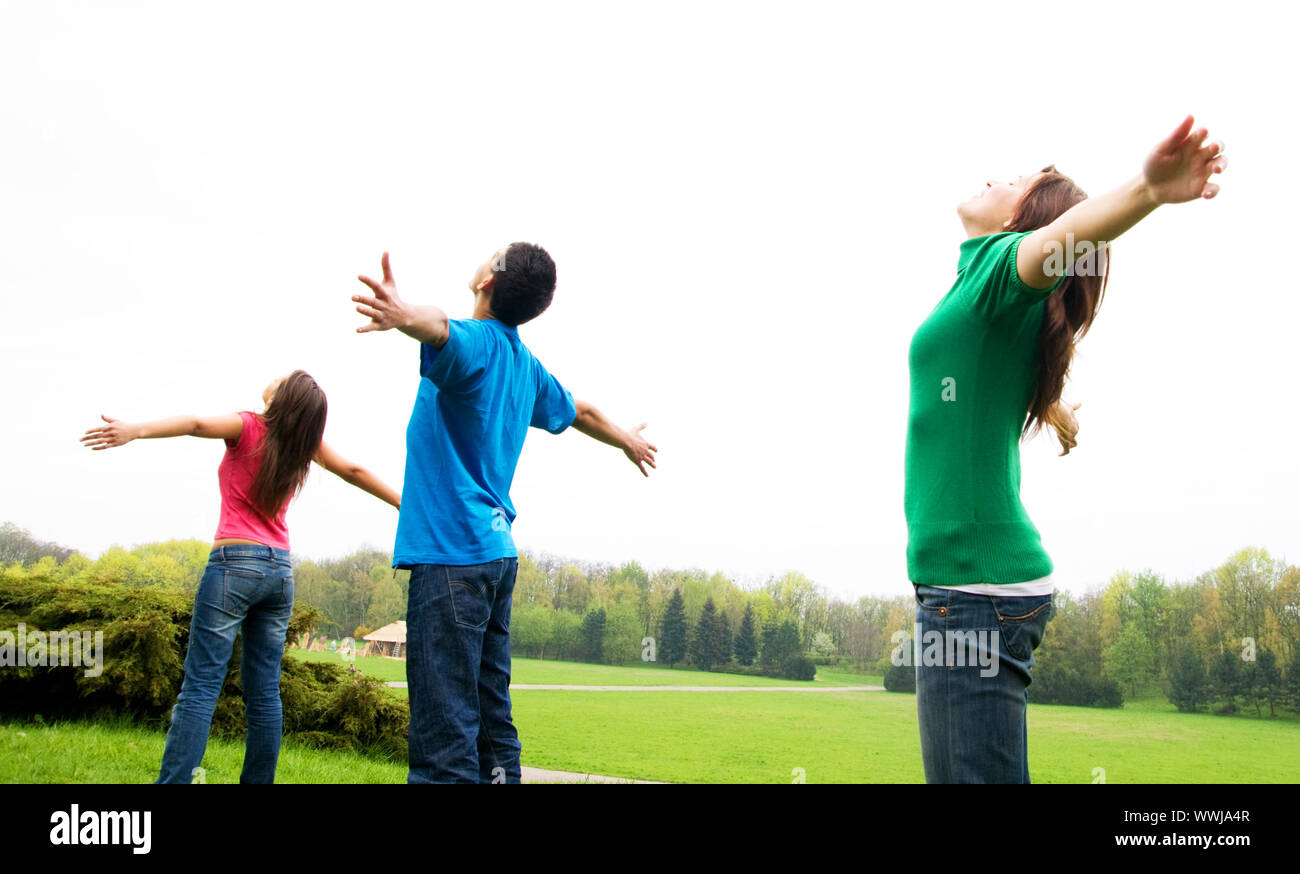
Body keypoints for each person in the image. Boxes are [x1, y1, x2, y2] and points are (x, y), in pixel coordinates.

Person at [904, 115, 1226, 783]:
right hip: (970, 590)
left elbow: (1059, 244)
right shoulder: (985, 299)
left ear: (1022, 224)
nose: (999, 176)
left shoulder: (1000, 269)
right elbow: (981, 374)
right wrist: (1054, 409)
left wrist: (1148, 189)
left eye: (1020, 183)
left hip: (973, 594)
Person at [352, 243, 657, 784]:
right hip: (495, 559)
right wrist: (624, 441)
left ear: (488, 280)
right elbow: (580, 410)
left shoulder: (477, 345)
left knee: (443, 736)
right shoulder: (524, 365)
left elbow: (439, 327)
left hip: (451, 561)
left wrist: (401, 316)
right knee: (491, 725)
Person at [80, 370, 401, 783]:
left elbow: (195, 424)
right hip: (280, 571)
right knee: (264, 692)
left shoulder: (250, 424)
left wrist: (134, 430)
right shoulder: (303, 445)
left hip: (234, 564)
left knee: (200, 688)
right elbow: (353, 470)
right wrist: (402, 502)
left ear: (282, 399)